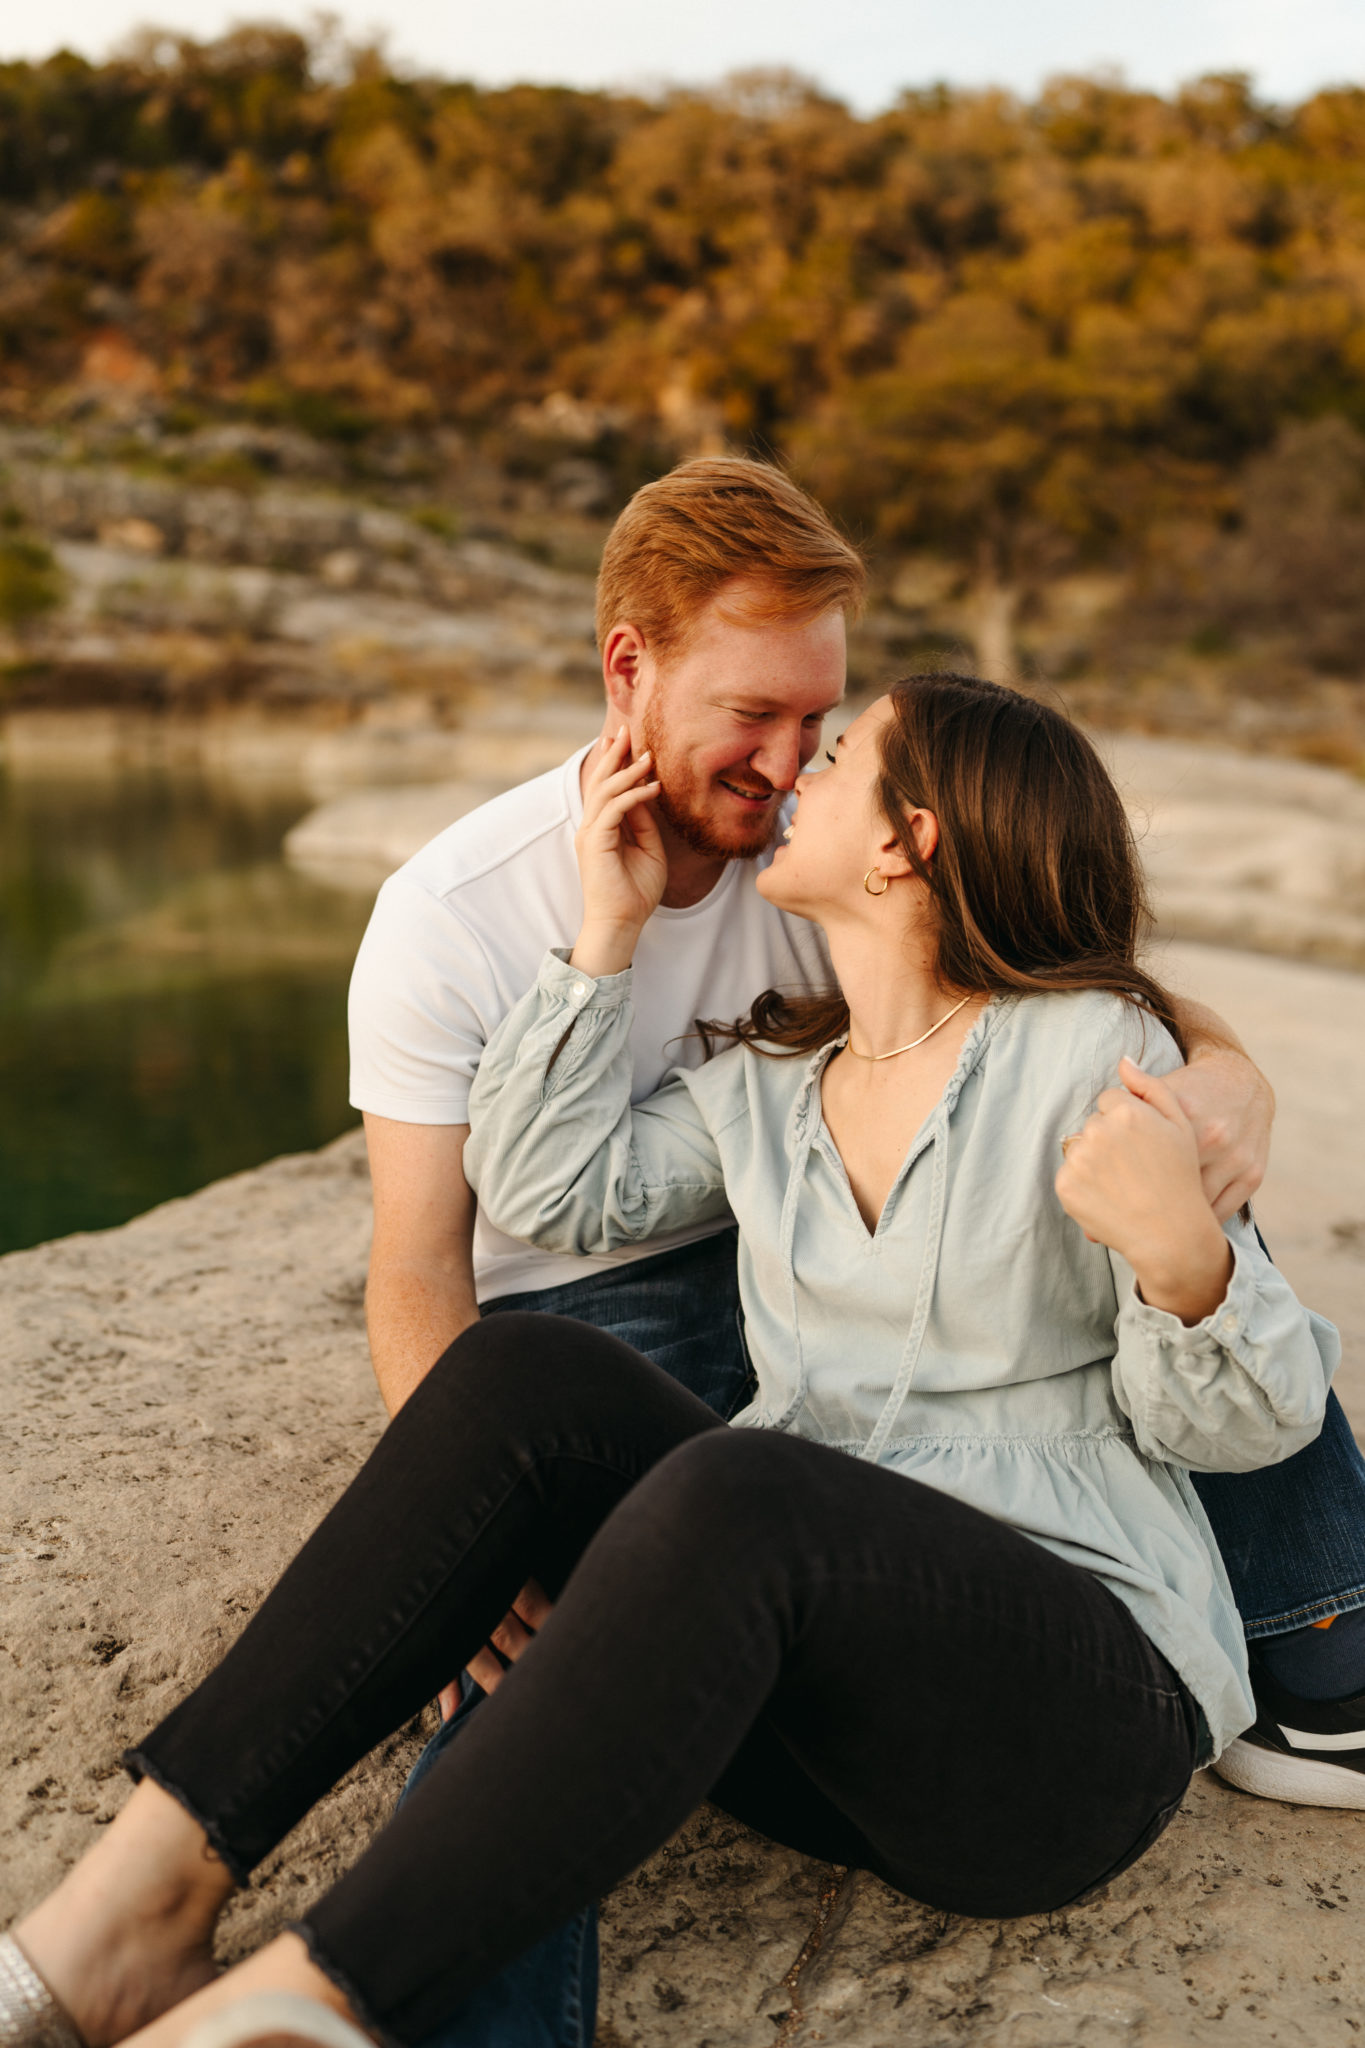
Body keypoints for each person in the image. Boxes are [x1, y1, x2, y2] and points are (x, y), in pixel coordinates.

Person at [1, 676, 1340, 2048]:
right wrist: (606, 932)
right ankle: (143, 1902)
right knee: (523, 1374)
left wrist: (1189, 1265)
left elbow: (1245, 1430)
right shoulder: (771, 1082)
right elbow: (545, 1185)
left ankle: (318, 2004)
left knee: (744, 1485)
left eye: (832, 761)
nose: (790, 782)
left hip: (1060, 1729)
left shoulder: (1089, 1055)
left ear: (905, 841)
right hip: (823, 1717)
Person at [344, 459, 1365, 2046]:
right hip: (623, 1321)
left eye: (820, 730)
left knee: (1179, 1214)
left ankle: (1322, 1646)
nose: (785, 766)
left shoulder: (826, 872)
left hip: (855, 1317)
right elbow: (444, 1249)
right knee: (555, 1641)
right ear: (629, 668)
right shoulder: (462, 911)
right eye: (755, 717)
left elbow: (1071, 974)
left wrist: (1223, 1081)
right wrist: (483, 1523)